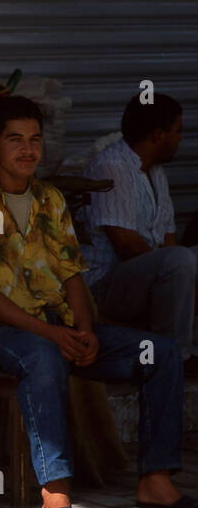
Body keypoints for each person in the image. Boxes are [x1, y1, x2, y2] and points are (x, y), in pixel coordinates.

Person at [0, 95, 193, 508]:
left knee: (162, 353)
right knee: (43, 355)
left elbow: (73, 275)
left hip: (59, 326)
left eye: (35, 139)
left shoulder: (52, 200)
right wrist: (51, 334)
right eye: (14, 140)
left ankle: (156, 483)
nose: (27, 150)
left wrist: (84, 330)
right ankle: (56, 490)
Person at [82, 94, 196, 362]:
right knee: (179, 261)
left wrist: (184, 282)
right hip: (104, 287)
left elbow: (168, 240)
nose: (180, 139)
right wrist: (177, 276)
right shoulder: (111, 166)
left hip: (143, 275)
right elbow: (127, 245)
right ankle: (176, 357)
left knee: (184, 260)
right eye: (177, 131)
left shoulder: (155, 172)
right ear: (158, 135)